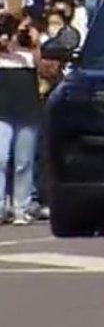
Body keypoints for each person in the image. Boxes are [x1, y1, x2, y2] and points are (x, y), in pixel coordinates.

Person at [0, 13, 40, 225]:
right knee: (1, 158)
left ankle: (20, 208)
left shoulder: (30, 54)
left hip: (28, 110)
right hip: (2, 110)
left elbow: (46, 70)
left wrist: (35, 44)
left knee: (23, 162)